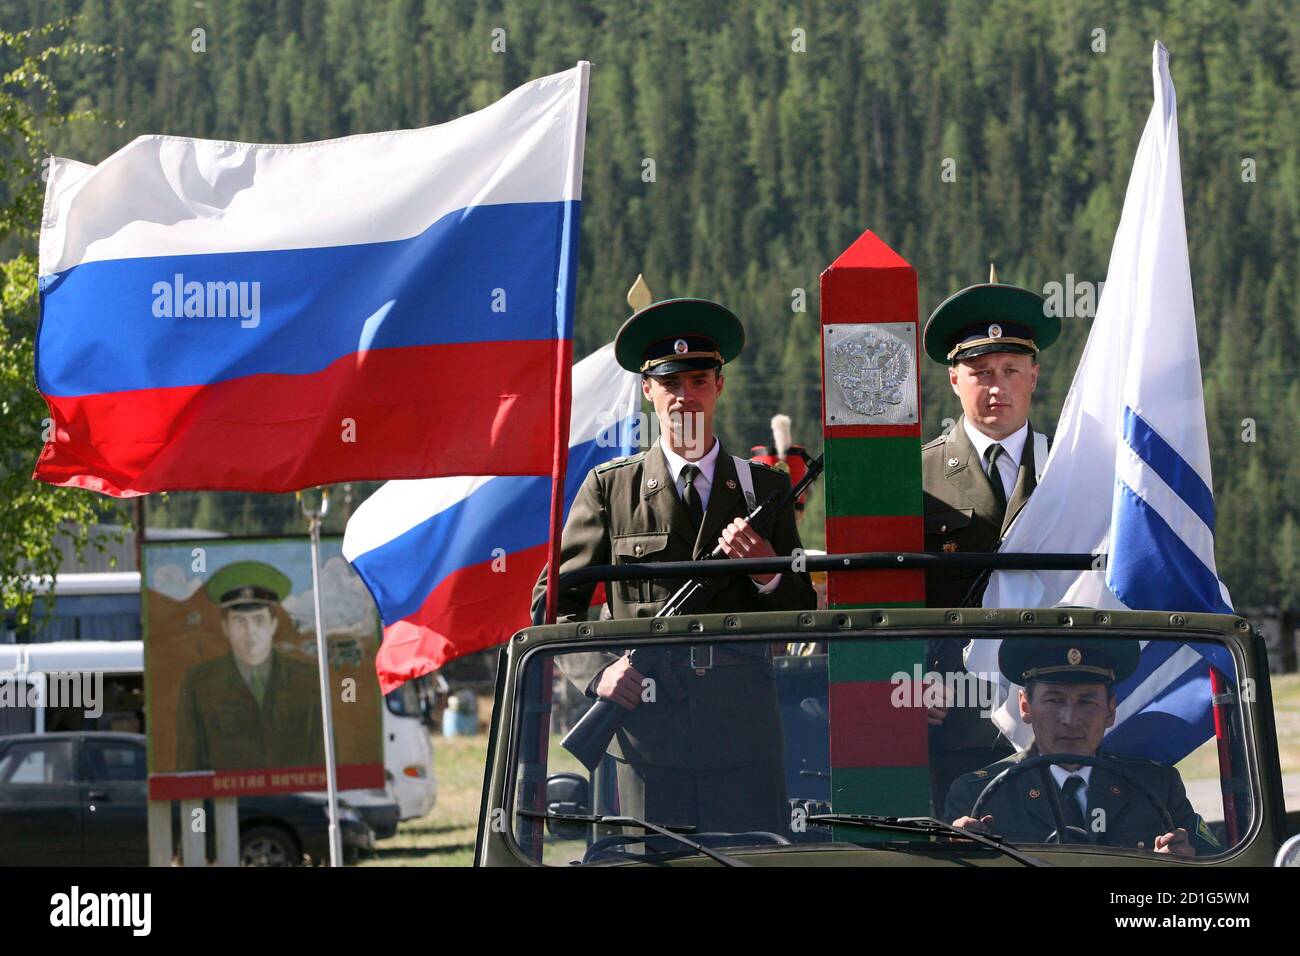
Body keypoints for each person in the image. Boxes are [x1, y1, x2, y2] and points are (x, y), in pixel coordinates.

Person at [531, 297, 817, 834]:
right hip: (647, 733)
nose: (685, 397)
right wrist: (599, 672)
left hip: (743, 732)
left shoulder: (765, 488)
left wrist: (766, 572)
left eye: (698, 381)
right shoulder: (611, 490)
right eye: (670, 383)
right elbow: (552, 605)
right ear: (648, 390)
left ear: (719, 386)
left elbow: (802, 612)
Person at [919, 266, 1061, 814]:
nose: (996, 386)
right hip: (952, 709)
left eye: (1010, 369)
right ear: (954, 379)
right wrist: (906, 685)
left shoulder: (1070, 470)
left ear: (1034, 374)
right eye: (980, 371)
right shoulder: (916, 478)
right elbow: (888, 599)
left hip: (1058, 708)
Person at [944, 639, 1220, 856]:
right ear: (1026, 706)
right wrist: (957, 853)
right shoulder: (979, 794)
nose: (1070, 719)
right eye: (1054, 700)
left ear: (1110, 710)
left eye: (1086, 702)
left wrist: (1187, 860)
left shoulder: (1157, 787)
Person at [175, 561, 325, 772]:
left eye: (259, 620)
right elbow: (188, 763)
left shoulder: (307, 680)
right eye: (239, 621)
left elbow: (324, 755)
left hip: (296, 802)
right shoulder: (199, 684)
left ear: (273, 625)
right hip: (226, 801)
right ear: (225, 627)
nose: (250, 632)